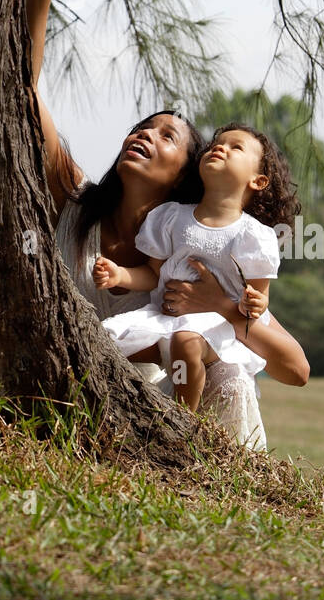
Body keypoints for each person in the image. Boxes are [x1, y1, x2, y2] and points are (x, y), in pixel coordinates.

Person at [24, 0, 309, 449]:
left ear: (186, 172)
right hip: (66, 395)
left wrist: (222, 305)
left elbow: (295, 368)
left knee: (227, 376)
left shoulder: (199, 253)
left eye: (168, 136)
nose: (144, 135)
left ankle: (226, 489)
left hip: (152, 414)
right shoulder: (74, 202)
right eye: (142, 127)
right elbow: (24, 89)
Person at [95, 123, 300, 412]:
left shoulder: (252, 235)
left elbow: (259, 297)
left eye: (235, 147)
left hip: (213, 325)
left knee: (185, 342)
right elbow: (154, 275)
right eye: (217, 143)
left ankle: (182, 417)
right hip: (163, 316)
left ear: (258, 180)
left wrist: (254, 301)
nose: (220, 147)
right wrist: (120, 275)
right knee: (103, 337)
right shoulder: (170, 217)